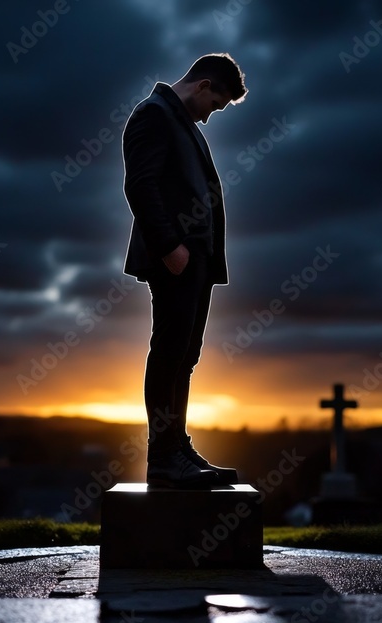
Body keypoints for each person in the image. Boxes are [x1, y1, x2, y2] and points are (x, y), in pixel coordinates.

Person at [122, 53, 248, 489]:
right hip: (175, 259)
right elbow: (140, 185)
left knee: (185, 357)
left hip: (196, 261)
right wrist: (170, 248)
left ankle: (178, 449)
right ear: (203, 85)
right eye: (216, 105)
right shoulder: (153, 115)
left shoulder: (180, 121)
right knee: (169, 352)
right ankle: (163, 458)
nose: (211, 117)